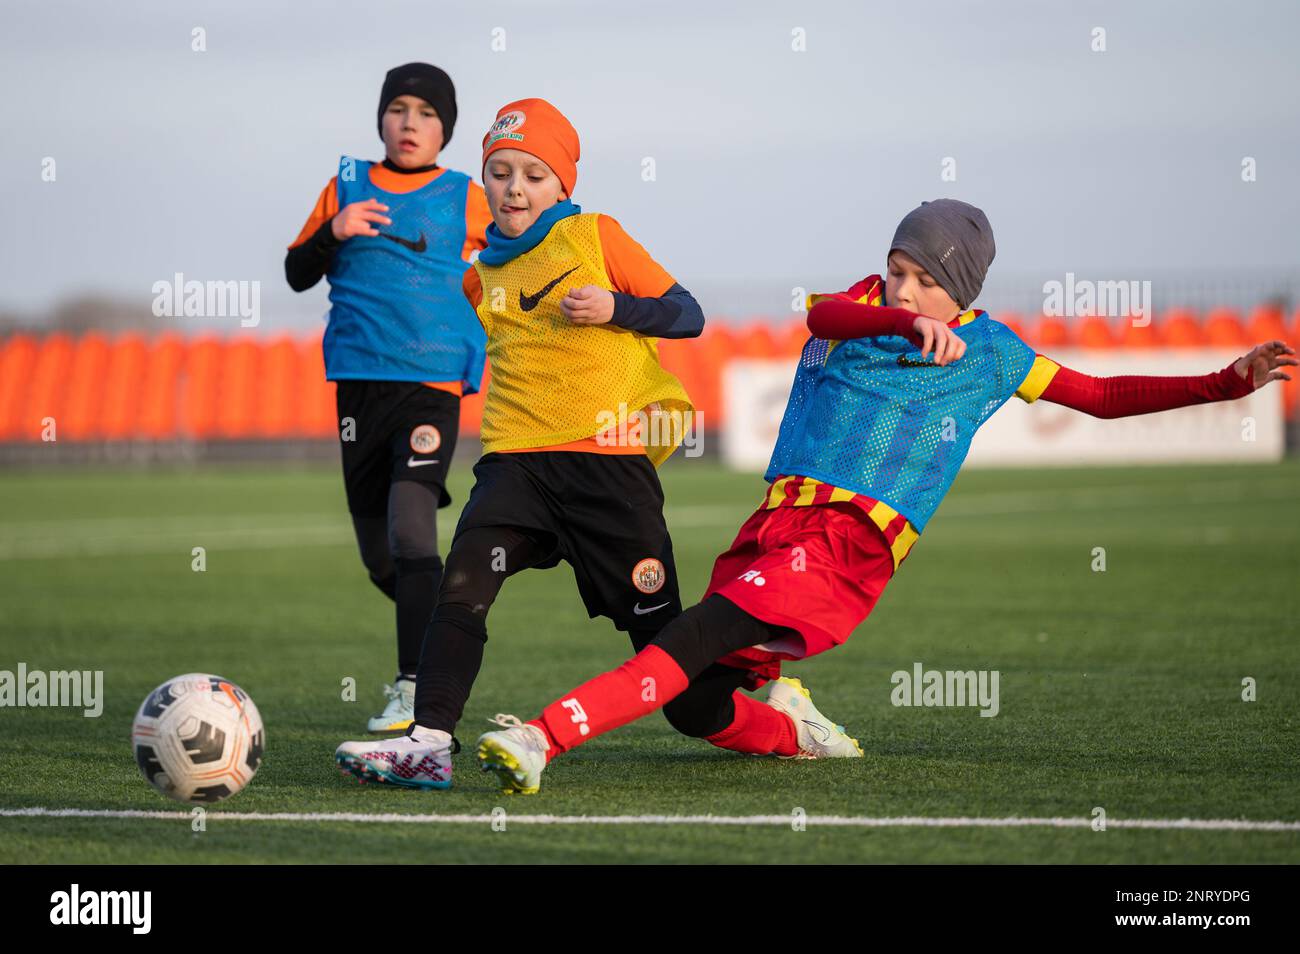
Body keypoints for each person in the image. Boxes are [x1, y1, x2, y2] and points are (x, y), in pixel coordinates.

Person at [467, 198, 1297, 794]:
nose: (899, 286)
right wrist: (899, 322)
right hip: (775, 526)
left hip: (846, 545)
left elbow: (1101, 395)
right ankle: (798, 730)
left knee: (692, 635)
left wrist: (1226, 383)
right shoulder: (863, 307)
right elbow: (820, 315)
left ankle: (545, 737)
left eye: (918, 279)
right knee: (696, 707)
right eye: (896, 268)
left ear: (959, 288)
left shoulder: (995, 354)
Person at [334, 98, 713, 789]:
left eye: (534, 175)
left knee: (681, 686)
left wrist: (616, 307)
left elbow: (688, 314)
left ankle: (773, 713)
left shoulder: (598, 237)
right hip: (516, 465)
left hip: (608, 469)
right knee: (464, 581)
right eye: (501, 172)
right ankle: (427, 743)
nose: (515, 188)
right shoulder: (480, 274)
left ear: (563, 186)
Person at [285, 63, 492, 732]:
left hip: (431, 390)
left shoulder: (467, 196)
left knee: (411, 529)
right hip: (358, 391)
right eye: (399, 108)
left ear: (445, 129)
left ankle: (413, 687)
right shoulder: (344, 187)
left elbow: (526, 256)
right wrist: (333, 230)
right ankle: (449, 633)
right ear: (381, 118)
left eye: (427, 113)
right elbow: (295, 273)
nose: (410, 122)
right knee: (382, 556)